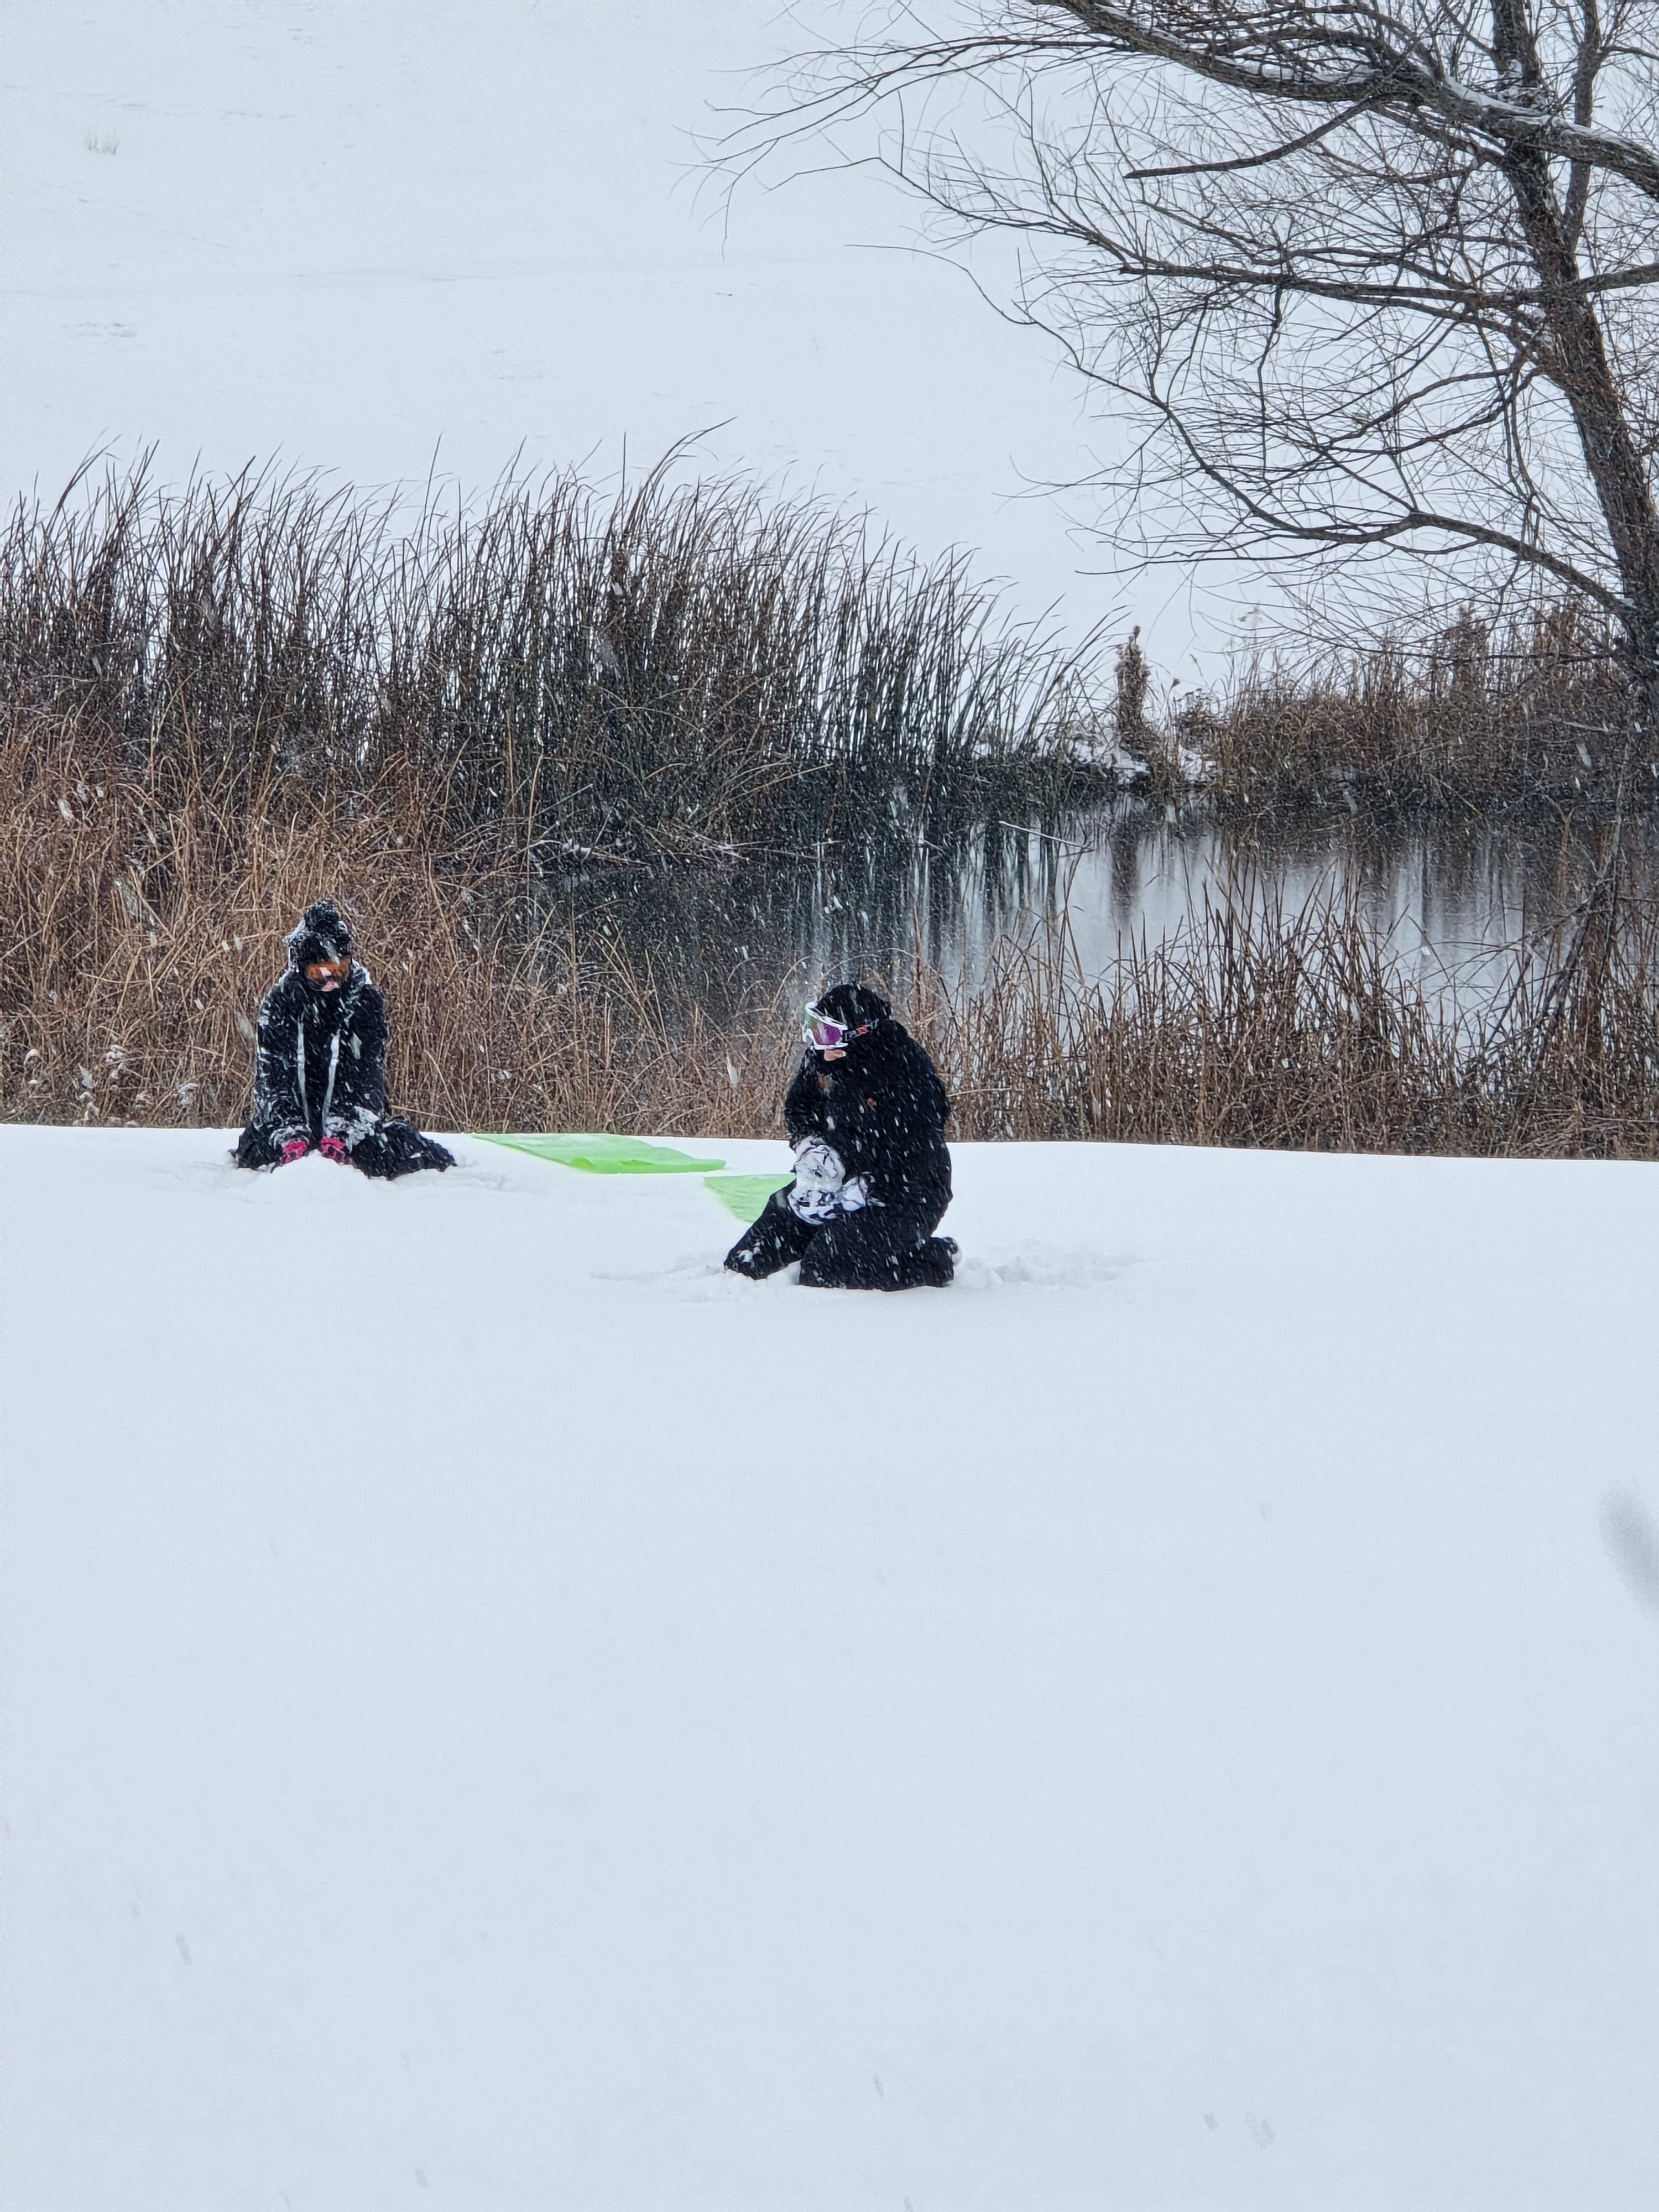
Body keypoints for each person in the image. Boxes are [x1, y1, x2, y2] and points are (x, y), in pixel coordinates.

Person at [725, 982, 957, 1289]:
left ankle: (934, 1258)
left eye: (828, 1033)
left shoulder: (906, 1074)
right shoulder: (823, 1059)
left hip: (902, 1194)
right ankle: (829, 1230)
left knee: (825, 1270)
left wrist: (858, 1185)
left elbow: (914, 1152)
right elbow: (799, 1107)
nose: (818, 1042)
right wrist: (810, 1147)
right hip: (831, 1182)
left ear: (860, 1034)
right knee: (745, 1262)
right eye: (815, 1029)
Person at [232, 900, 454, 1180]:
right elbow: (272, 1080)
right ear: (302, 968)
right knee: (255, 1156)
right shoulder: (280, 1005)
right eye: (321, 974)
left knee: (382, 1156)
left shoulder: (364, 1003)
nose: (331, 983)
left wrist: (344, 1132)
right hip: (292, 1126)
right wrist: (289, 1131)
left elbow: (367, 1078)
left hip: (349, 1128)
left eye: (339, 971)